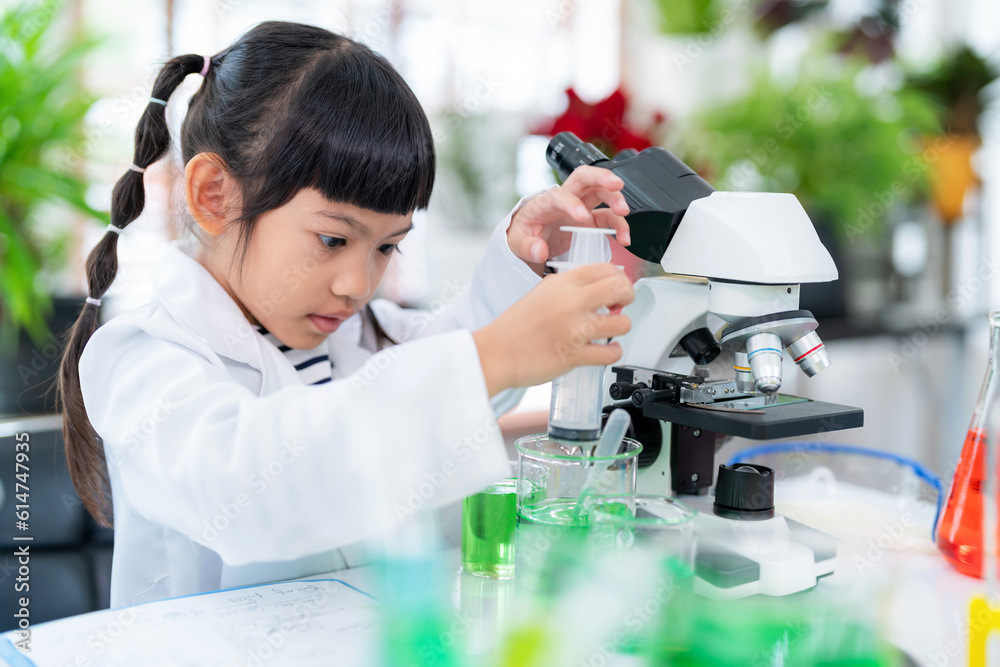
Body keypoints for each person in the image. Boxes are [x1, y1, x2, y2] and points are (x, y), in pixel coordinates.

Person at [58, 21, 633, 607]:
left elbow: (448, 370)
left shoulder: (357, 333)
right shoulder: (143, 355)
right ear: (214, 196)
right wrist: (494, 356)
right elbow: (248, 490)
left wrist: (519, 259)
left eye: (387, 246)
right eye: (334, 240)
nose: (359, 285)